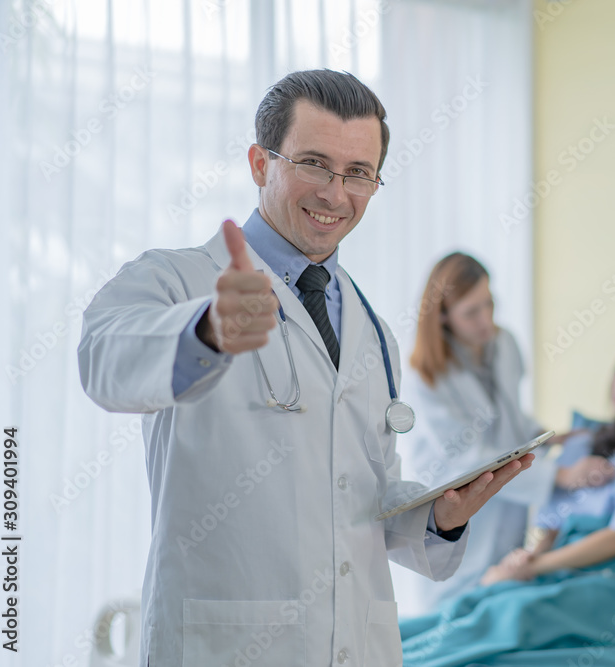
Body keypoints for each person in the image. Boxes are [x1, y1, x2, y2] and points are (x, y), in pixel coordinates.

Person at [77, 69, 534, 667]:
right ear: (260, 163)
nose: (335, 193)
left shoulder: (372, 329)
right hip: (228, 644)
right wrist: (207, 330)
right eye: (314, 163)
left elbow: (360, 494)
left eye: (358, 173)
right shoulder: (177, 279)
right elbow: (103, 359)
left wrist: (437, 518)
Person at [398, 336, 615, 667]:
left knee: (516, 613)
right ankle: (383, 654)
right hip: (562, 572)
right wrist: (522, 563)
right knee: (477, 602)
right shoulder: (588, 444)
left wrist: (534, 568)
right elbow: (555, 526)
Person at [390, 253, 614, 615]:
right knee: (453, 615)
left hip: (505, 505)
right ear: (444, 315)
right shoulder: (425, 376)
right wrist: (560, 475)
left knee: (496, 599)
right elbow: (467, 458)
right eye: (471, 312)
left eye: (489, 305)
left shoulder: (504, 344)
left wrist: (545, 436)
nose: (486, 321)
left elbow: (508, 415)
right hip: (455, 505)